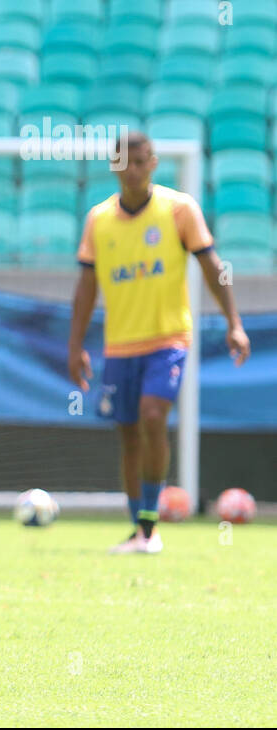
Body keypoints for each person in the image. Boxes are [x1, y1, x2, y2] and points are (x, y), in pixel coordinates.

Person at [68, 132, 250, 553]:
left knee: (153, 416)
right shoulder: (99, 219)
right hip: (120, 344)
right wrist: (75, 345)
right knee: (128, 432)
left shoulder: (179, 209)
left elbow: (213, 268)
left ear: (153, 164)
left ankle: (150, 526)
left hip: (168, 339)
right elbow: (86, 286)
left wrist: (234, 322)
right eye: (125, 162)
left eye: (141, 161)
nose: (133, 169)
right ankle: (139, 527)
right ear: (114, 167)